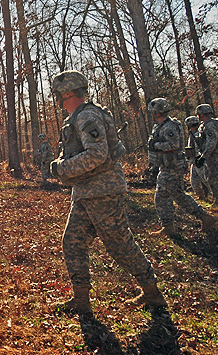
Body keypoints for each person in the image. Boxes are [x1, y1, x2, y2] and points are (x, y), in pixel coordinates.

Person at [48, 70, 167, 315]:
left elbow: (97, 154)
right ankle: (81, 301)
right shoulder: (77, 117)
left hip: (103, 192)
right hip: (86, 192)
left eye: (59, 94)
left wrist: (62, 168)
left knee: (119, 244)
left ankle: (152, 292)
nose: (57, 99)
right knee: (73, 242)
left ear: (67, 93)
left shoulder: (87, 116)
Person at [146, 98, 216, 237]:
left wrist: (156, 145)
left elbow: (173, 145)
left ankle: (169, 226)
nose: (152, 114)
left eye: (154, 111)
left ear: (158, 111)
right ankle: (203, 217)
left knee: (162, 196)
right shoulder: (160, 126)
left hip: (172, 167)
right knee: (177, 195)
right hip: (167, 166)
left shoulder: (169, 127)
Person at [195, 103, 218, 206]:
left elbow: (212, 143)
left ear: (202, 114)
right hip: (210, 155)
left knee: (213, 178)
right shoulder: (205, 125)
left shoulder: (210, 125)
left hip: (214, 155)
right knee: (214, 177)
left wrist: (204, 156)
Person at [185, 115, 211, 200]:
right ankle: (201, 196)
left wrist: (200, 158)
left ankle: (216, 195)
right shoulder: (191, 134)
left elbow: (202, 147)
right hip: (194, 160)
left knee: (205, 180)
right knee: (194, 180)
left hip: (201, 160)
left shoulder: (200, 133)